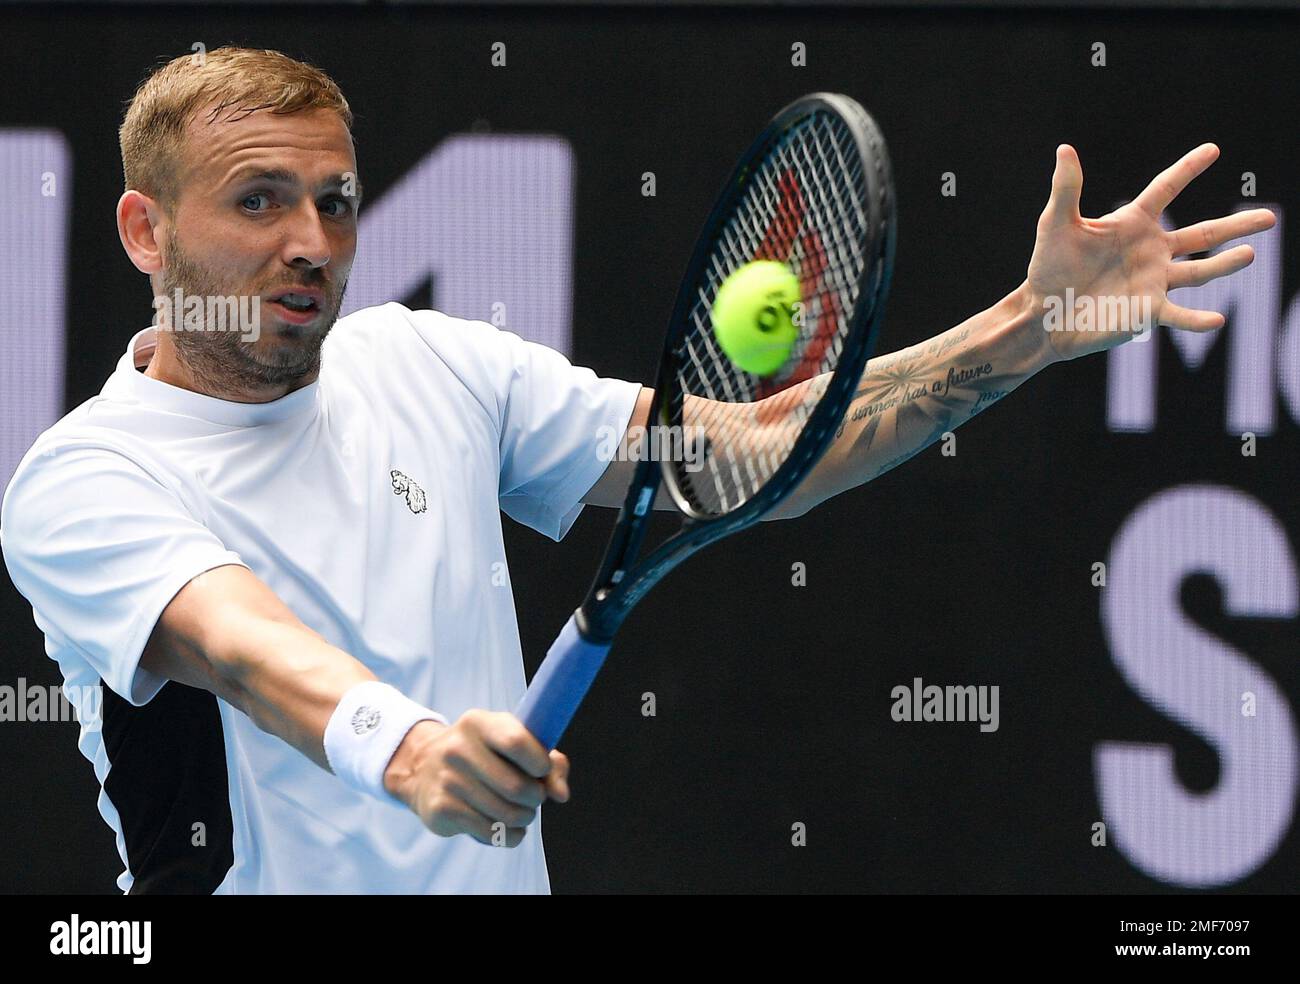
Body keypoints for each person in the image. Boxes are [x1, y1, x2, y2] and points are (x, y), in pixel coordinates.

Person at [0, 46, 1272, 894]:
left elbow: (735, 454)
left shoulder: (429, 363)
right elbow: (246, 650)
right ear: (143, 228)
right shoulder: (88, 478)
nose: (311, 243)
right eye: (259, 201)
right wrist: (411, 749)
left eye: (333, 202)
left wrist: (1028, 329)